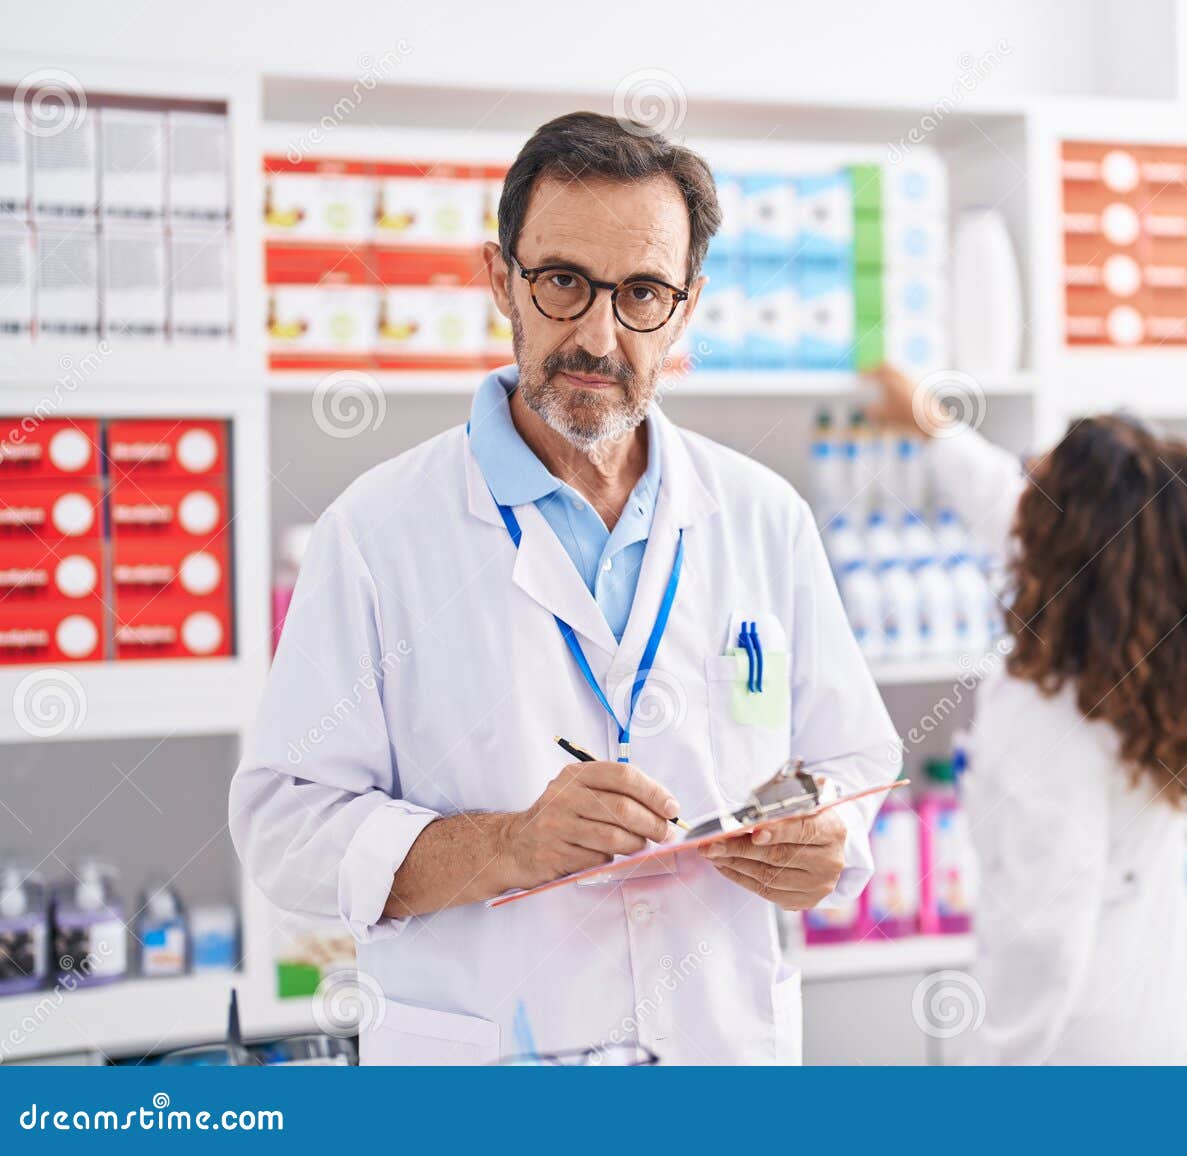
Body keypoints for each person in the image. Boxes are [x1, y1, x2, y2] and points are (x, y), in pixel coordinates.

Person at [230, 113, 899, 1065]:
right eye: (562, 283)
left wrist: (822, 840)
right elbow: (284, 828)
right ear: (500, 277)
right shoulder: (377, 532)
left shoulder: (762, 515)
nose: (597, 333)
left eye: (641, 294)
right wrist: (507, 845)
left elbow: (855, 760)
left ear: (687, 306)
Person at [870, 366, 1187, 1063]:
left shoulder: (1048, 717)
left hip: (1067, 1047)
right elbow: (1007, 510)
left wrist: (990, 1072)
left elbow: (1041, 942)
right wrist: (932, 424)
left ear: (1061, 539)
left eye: (1037, 483)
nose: (1021, 492)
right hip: (1154, 1013)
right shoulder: (1152, 659)